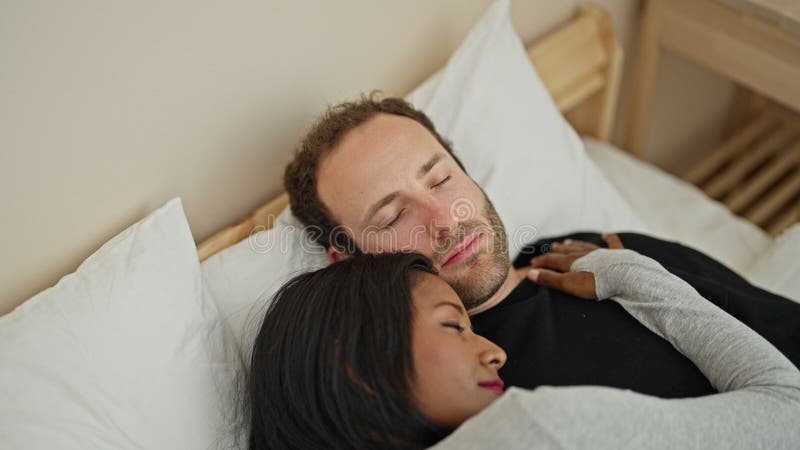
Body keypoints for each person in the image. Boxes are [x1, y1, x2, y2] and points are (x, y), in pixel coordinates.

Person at [282, 93, 800, 398]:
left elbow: (780, 331)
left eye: (440, 180)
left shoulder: (599, 254)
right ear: (347, 259)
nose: (445, 221)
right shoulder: (417, 390)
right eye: (394, 215)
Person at [246, 249, 800, 449]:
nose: (495, 353)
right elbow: (789, 410)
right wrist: (635, 276)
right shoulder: (535, 430)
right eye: (452, 326)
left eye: (440, 175)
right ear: (357, 366)